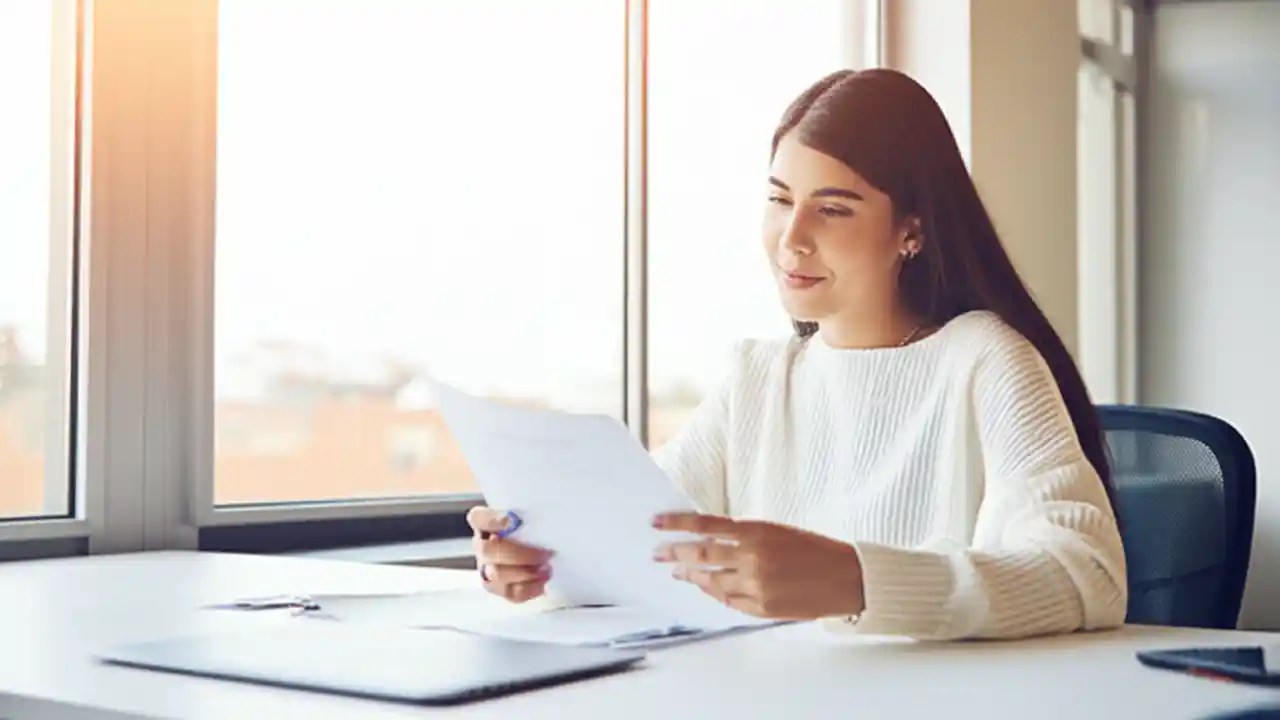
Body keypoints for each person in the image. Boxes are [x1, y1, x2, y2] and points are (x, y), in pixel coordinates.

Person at [467, 68, 1127, 641]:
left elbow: (1085, 574)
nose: (793, 239)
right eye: (780, 201)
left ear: (912, 230)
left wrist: (858, 580)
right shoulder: (757, 379)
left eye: (833, 210)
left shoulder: (984, 360)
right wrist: (537, 559)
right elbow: (637, 543)